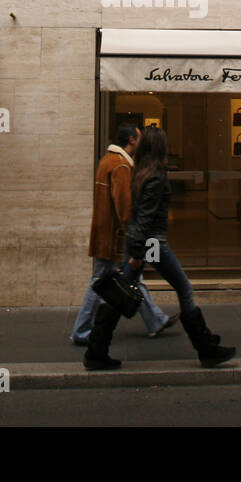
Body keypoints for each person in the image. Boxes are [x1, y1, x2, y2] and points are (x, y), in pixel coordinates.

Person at [84, 125, 235, 371]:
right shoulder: (156, 176)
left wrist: (135, 250)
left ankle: (96, 350)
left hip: (144, 243)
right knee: (184, 288)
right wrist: (137, 254)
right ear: (161, 148)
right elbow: (145, 217)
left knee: (119, 294)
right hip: (153, 243)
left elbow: (139, 216)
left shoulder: (141, 172)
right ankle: (206, 348)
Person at [71, 125, 177, 345]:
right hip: (115, 238)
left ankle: (156, 320)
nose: (142, 142)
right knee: (102, 280)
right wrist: (134, 234)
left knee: (133, 277)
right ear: (131, 140)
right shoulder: (120, 166)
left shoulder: (107, 161)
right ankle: (81, 330)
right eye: (139, 138)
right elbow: (123, 206)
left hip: (105, 234)